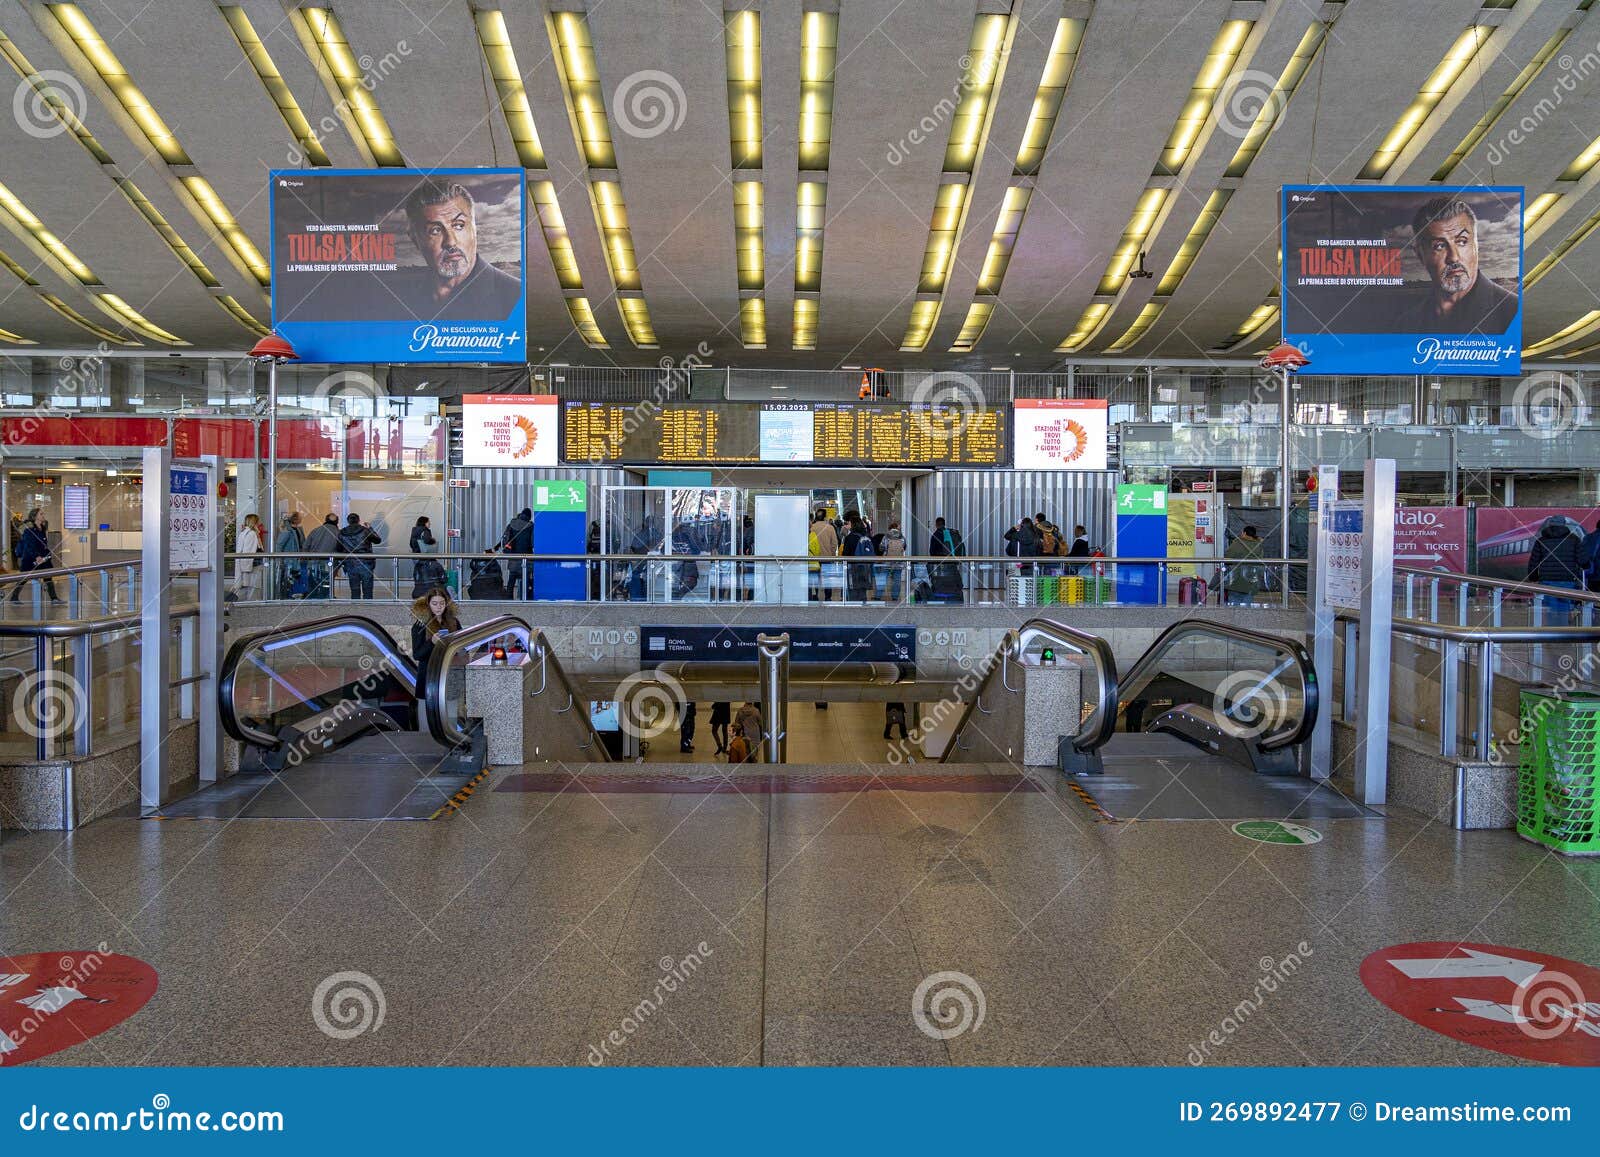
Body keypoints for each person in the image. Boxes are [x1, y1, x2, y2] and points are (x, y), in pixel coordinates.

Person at [399, 179, 522, 321]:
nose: (451, 242)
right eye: (435, 230)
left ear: (475, 229)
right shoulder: (401, 300)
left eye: (459, 225)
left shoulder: (517, 296)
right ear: (415, 239)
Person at [1398, 196, 1519, 335]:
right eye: (1439, 246)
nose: (1454, 258)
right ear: (1420, 255)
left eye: (1462, 241)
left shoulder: (1513, 312)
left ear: (1476, 245)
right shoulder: (1406, 324)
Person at [1527, 516, 1586, 623]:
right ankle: (1564, 634)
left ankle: (1552, 633)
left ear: (1550, 525)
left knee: (1551, 611)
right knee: (1565, 609)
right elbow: (1582, 561)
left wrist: (1533, 577)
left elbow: (1534, 562)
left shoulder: (1541, 541)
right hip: (1567, 580)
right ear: (1564, 525)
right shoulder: (1574, 540)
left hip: (1547, 581)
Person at [409, 587, 461, 698]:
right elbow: (417, 654)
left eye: (442, 603)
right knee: (427, 711)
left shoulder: (453, 622)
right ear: (428, 604)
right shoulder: (420, 625)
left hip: (449, 672)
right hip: (428, 675)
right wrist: (431, 642)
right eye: (435, 603)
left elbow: (461, 646)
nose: (439, 607)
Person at [8, 509, 59, 604]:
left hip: (43, 558)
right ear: (35, 516)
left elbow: (43, 543)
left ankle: (54, 598)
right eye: (41, 514)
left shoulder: (42, 527)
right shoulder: (29, 529)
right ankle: (14, 597)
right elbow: (28, 544)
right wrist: (36, 556)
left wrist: (47, 554)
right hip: (30, 558)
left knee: (48, 576)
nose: (43, 515)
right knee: (23, 578)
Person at [338, 512, 382, 599]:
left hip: (350, 563)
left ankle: (355, 606)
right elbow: (378, 540)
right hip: (366, 562)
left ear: (348, 521)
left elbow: (339, 548)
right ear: (358, 520)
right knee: (368, 589)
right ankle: (367, 606)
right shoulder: (365, 530)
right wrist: (370, 528)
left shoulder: (342, 532)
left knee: (354, 588)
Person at [1223, 525, 1265, 605]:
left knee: (1234, 603)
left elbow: (1228, 558)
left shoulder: (1237, 543)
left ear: (1244, 533)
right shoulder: (1259, 545)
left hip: (1236, 579)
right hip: (1252, 579)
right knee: (1247, 604)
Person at [303, 513, 341, 600]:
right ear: (337, 522)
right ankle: (327, 597)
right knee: (327, 582)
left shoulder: (315, 530)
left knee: (313, 581)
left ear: (326, 520)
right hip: (330, 562)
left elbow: (306, 546)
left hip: (313, 561)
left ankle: (312, 598)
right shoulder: (338, 533)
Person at [929, 516, 965, 602]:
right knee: (951, 579)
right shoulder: (952, 533)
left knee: (941, 580)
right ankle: (952, 595)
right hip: (952, 562)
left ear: (936, 524)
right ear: (944, 524)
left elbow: (932, 551)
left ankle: (941, 596)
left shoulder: (936, 534)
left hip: (940, 562)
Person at [409, 516, 447, 598]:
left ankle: (419, 591)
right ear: (424, 522)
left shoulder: (414, 530)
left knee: (419, 574)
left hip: (415, 556)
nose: (430, 523)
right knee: (427, 576)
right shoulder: (425, 530)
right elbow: (427, 540)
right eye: (428, 522)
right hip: (424, 556)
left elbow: (411, 544)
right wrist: (433, 540)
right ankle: (426, 593)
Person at [842, 511, 875, 601]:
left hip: (853, 568)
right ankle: (863, 608)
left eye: (848, 523)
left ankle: (853, 608)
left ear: (852, 524)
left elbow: (845, 554)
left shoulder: (850, 537)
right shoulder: (866, 536)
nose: (846, 525)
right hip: (865, 568)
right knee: (862, 591)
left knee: (853, 591)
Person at [501, 507, 533, 598]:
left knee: (512, 578)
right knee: (526, 577)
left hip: (513, 556)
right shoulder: (530, 526)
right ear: (529, 516)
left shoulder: (511, 524)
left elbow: (505, 539)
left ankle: (509, 598)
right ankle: (525, 598)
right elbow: (532, 542)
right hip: (526, 557)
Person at [810, 508, 839, 601]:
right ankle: (828, 597)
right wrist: (832, 555)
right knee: (827, 579)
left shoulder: (812, 527)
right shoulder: (830, 528)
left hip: (814, 558)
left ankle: (815, 596)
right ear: (825, 517)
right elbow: (834, 543)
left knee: (814, 577)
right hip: (827, 557)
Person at [233, 513, 264, 600]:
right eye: (258, 522)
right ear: (254, 522)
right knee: (253, 589)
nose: (259, 524)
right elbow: (249, 551)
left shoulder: (244, 533)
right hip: (252, 566)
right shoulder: (252, 534)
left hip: (247, 565)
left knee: (246, 589)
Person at [275, 511, 305, 598]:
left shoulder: (298, 529)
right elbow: (279, 545)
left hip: (297, 560)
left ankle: (295, 594)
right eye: (300, 517)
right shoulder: (287, 531)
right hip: (289, 561)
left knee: (296, 578)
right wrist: (279, 560)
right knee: (290, 580)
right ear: (296, 519)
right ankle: (288, 596)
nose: (301, 518)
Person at [879, 519, 907, 602]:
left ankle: (878, 595)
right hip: (898, 561)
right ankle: (895, 597)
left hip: (887, 561)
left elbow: (881, 547)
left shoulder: (886, 536)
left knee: (883, 577)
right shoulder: (902, 537)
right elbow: (904, 547)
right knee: (897, 579)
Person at [1579, 517, 1600, 594]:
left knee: (1592, 599)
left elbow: (1583, 556)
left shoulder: (1588, 537)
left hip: (1592, 575)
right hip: (1597, 573)